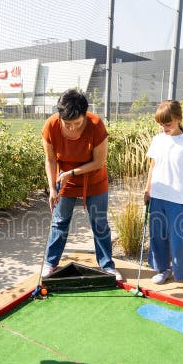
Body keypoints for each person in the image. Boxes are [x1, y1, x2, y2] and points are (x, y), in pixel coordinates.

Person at [41, 89, 122, 281]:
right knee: (59, 222)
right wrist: (52, 188)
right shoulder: (51, 125)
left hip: (93, 179)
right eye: (66, 123)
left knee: (99, 223)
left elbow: (98, 162)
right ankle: (50, 263)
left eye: (76, 123)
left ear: (85, 115)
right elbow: (50, 160)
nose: (71, 128)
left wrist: (72, 172)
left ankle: (107, 265)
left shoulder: (96, 125)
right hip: (64, 180)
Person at [143, 100, 183, 293]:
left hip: (176, 199)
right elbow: (153, 166)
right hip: (157, 196)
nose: (164, 128)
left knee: (178, 238)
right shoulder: (158, 140)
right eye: (161, 124)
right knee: (158, 236)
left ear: (178, 119)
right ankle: (164, 269)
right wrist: (147, 190)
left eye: (168, 124)